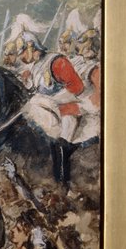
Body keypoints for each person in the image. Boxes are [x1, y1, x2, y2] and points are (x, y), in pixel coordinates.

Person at [16, 32, 87, 187]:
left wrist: (50, 100)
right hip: (48, 111)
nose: (20, 57)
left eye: (21, 52)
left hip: (68, 108)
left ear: (31, 47)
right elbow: (37, 91)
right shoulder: (35, 67)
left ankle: (63, 183)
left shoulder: (57, 61)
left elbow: (77, 87)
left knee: (62, 142)